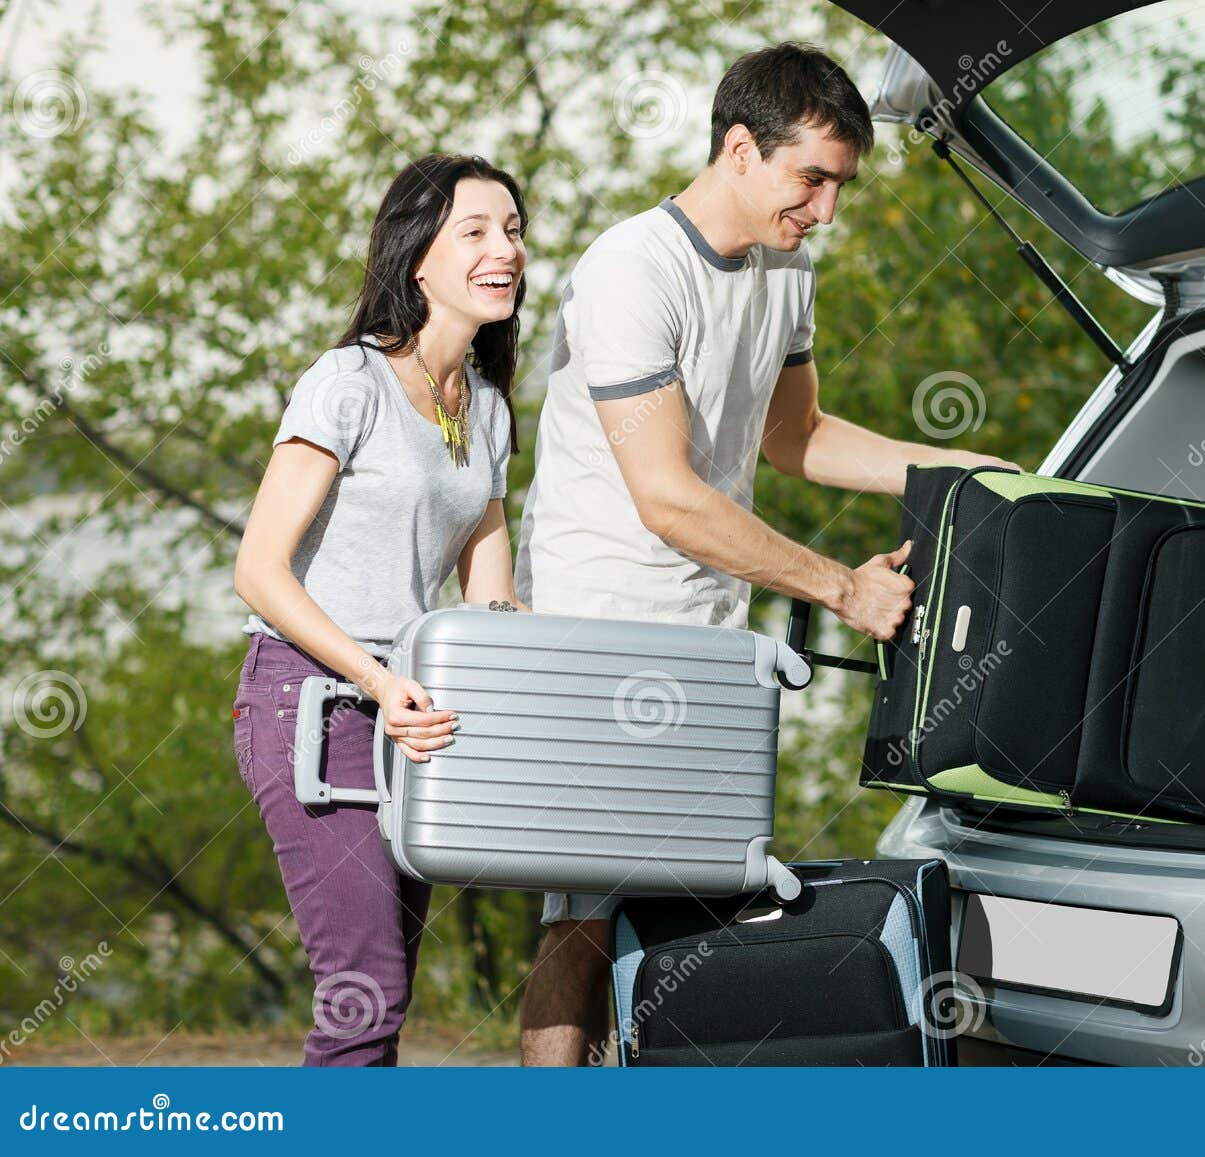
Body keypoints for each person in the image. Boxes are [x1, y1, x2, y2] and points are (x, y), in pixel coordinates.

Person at [513, 42, 1014, 1066]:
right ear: (740, 148)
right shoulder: (630, 269)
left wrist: (953, 465)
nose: (826, 209)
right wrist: (840, 586)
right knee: (585, 914)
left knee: (696, 906)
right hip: (595, 625)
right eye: (812, 179)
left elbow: (797, 438)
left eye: (841, 184)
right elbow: (666, 496)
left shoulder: (785, 271)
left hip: (707, 631)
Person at [231, 153, 528, 1065]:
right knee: (365, 994)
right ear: (416, 260)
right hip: (308, 702)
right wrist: (375, 677)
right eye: (474, 231)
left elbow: (491, 602)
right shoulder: (348, 381)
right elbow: (259, 569)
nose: (504, 250)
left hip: (406, 714)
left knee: (384, 988)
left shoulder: (485, 409)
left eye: (514, 232)